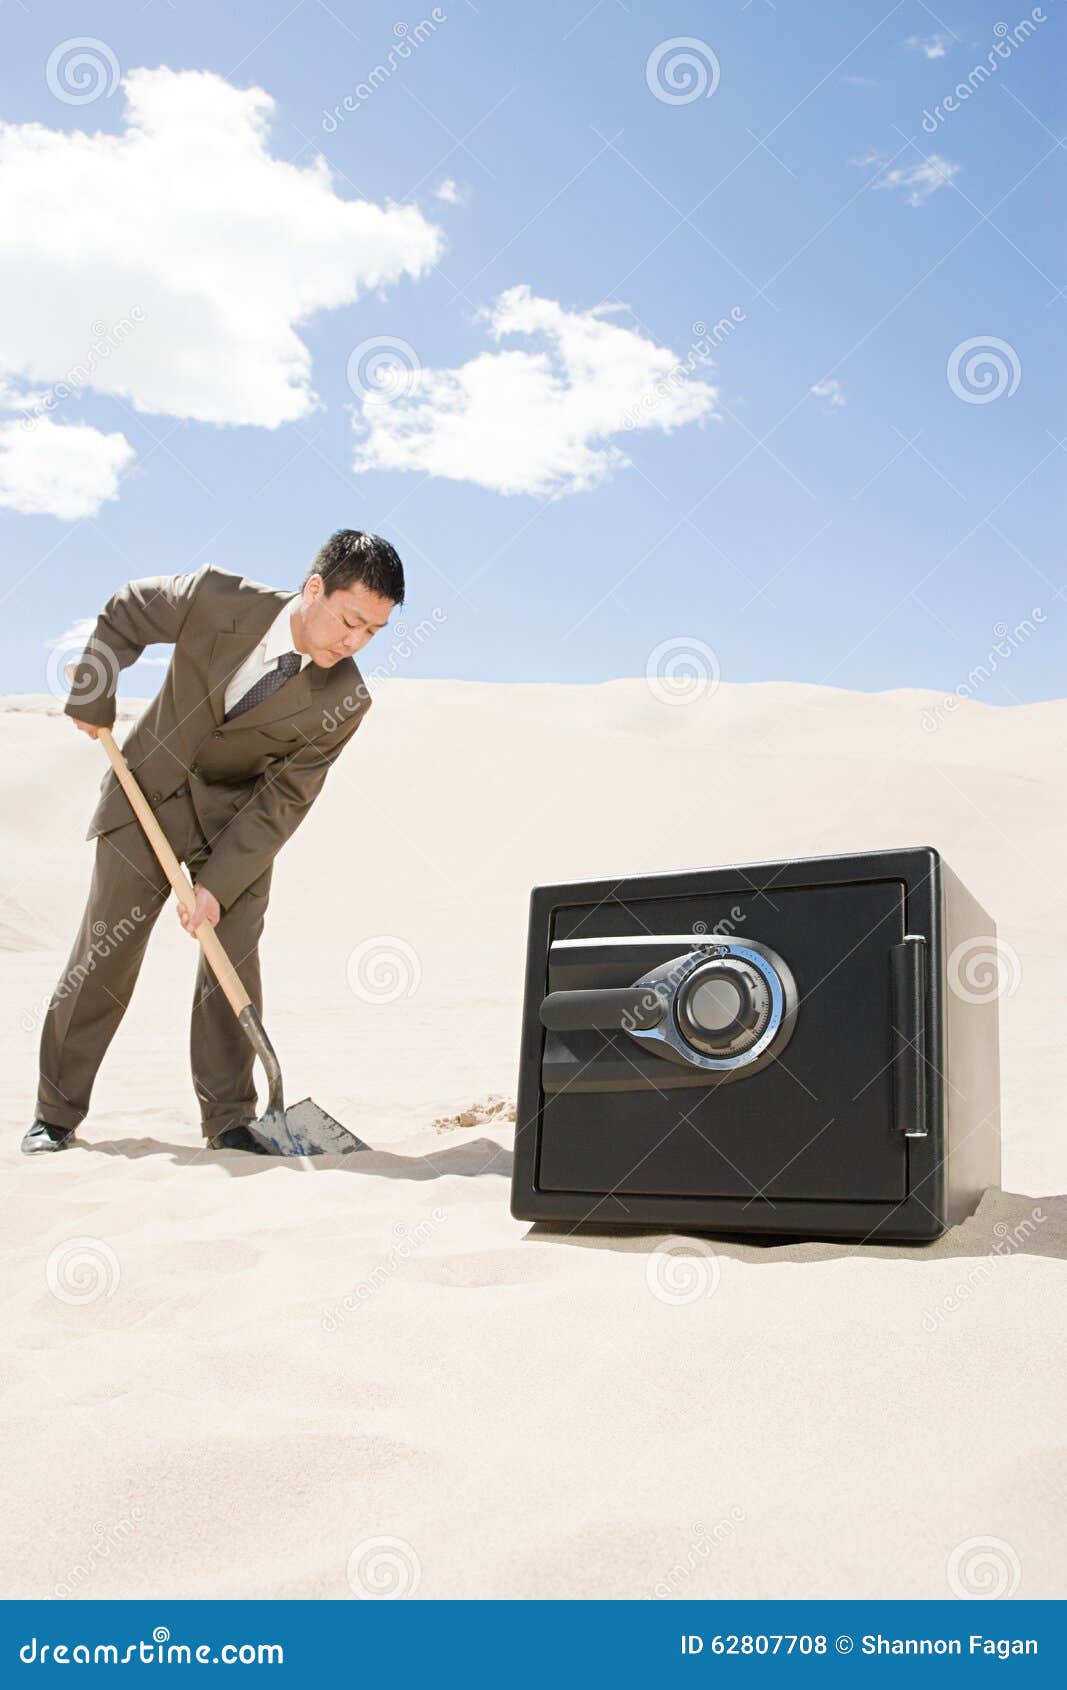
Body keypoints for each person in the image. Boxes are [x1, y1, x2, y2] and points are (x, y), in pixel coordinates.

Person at [22, 529, 403, 1155]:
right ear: (315, 589)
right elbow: (124, 612)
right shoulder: (215, 597)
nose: (355, 642)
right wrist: (94, 690)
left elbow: (284, 801)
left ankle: (229, 1119)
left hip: (234, 827)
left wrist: (217, 887)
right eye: (350, 621)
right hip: (145, 793)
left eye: (372, 633)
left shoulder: (346, 698)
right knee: (106, 952)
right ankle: (55, 1112)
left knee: (234, 957)